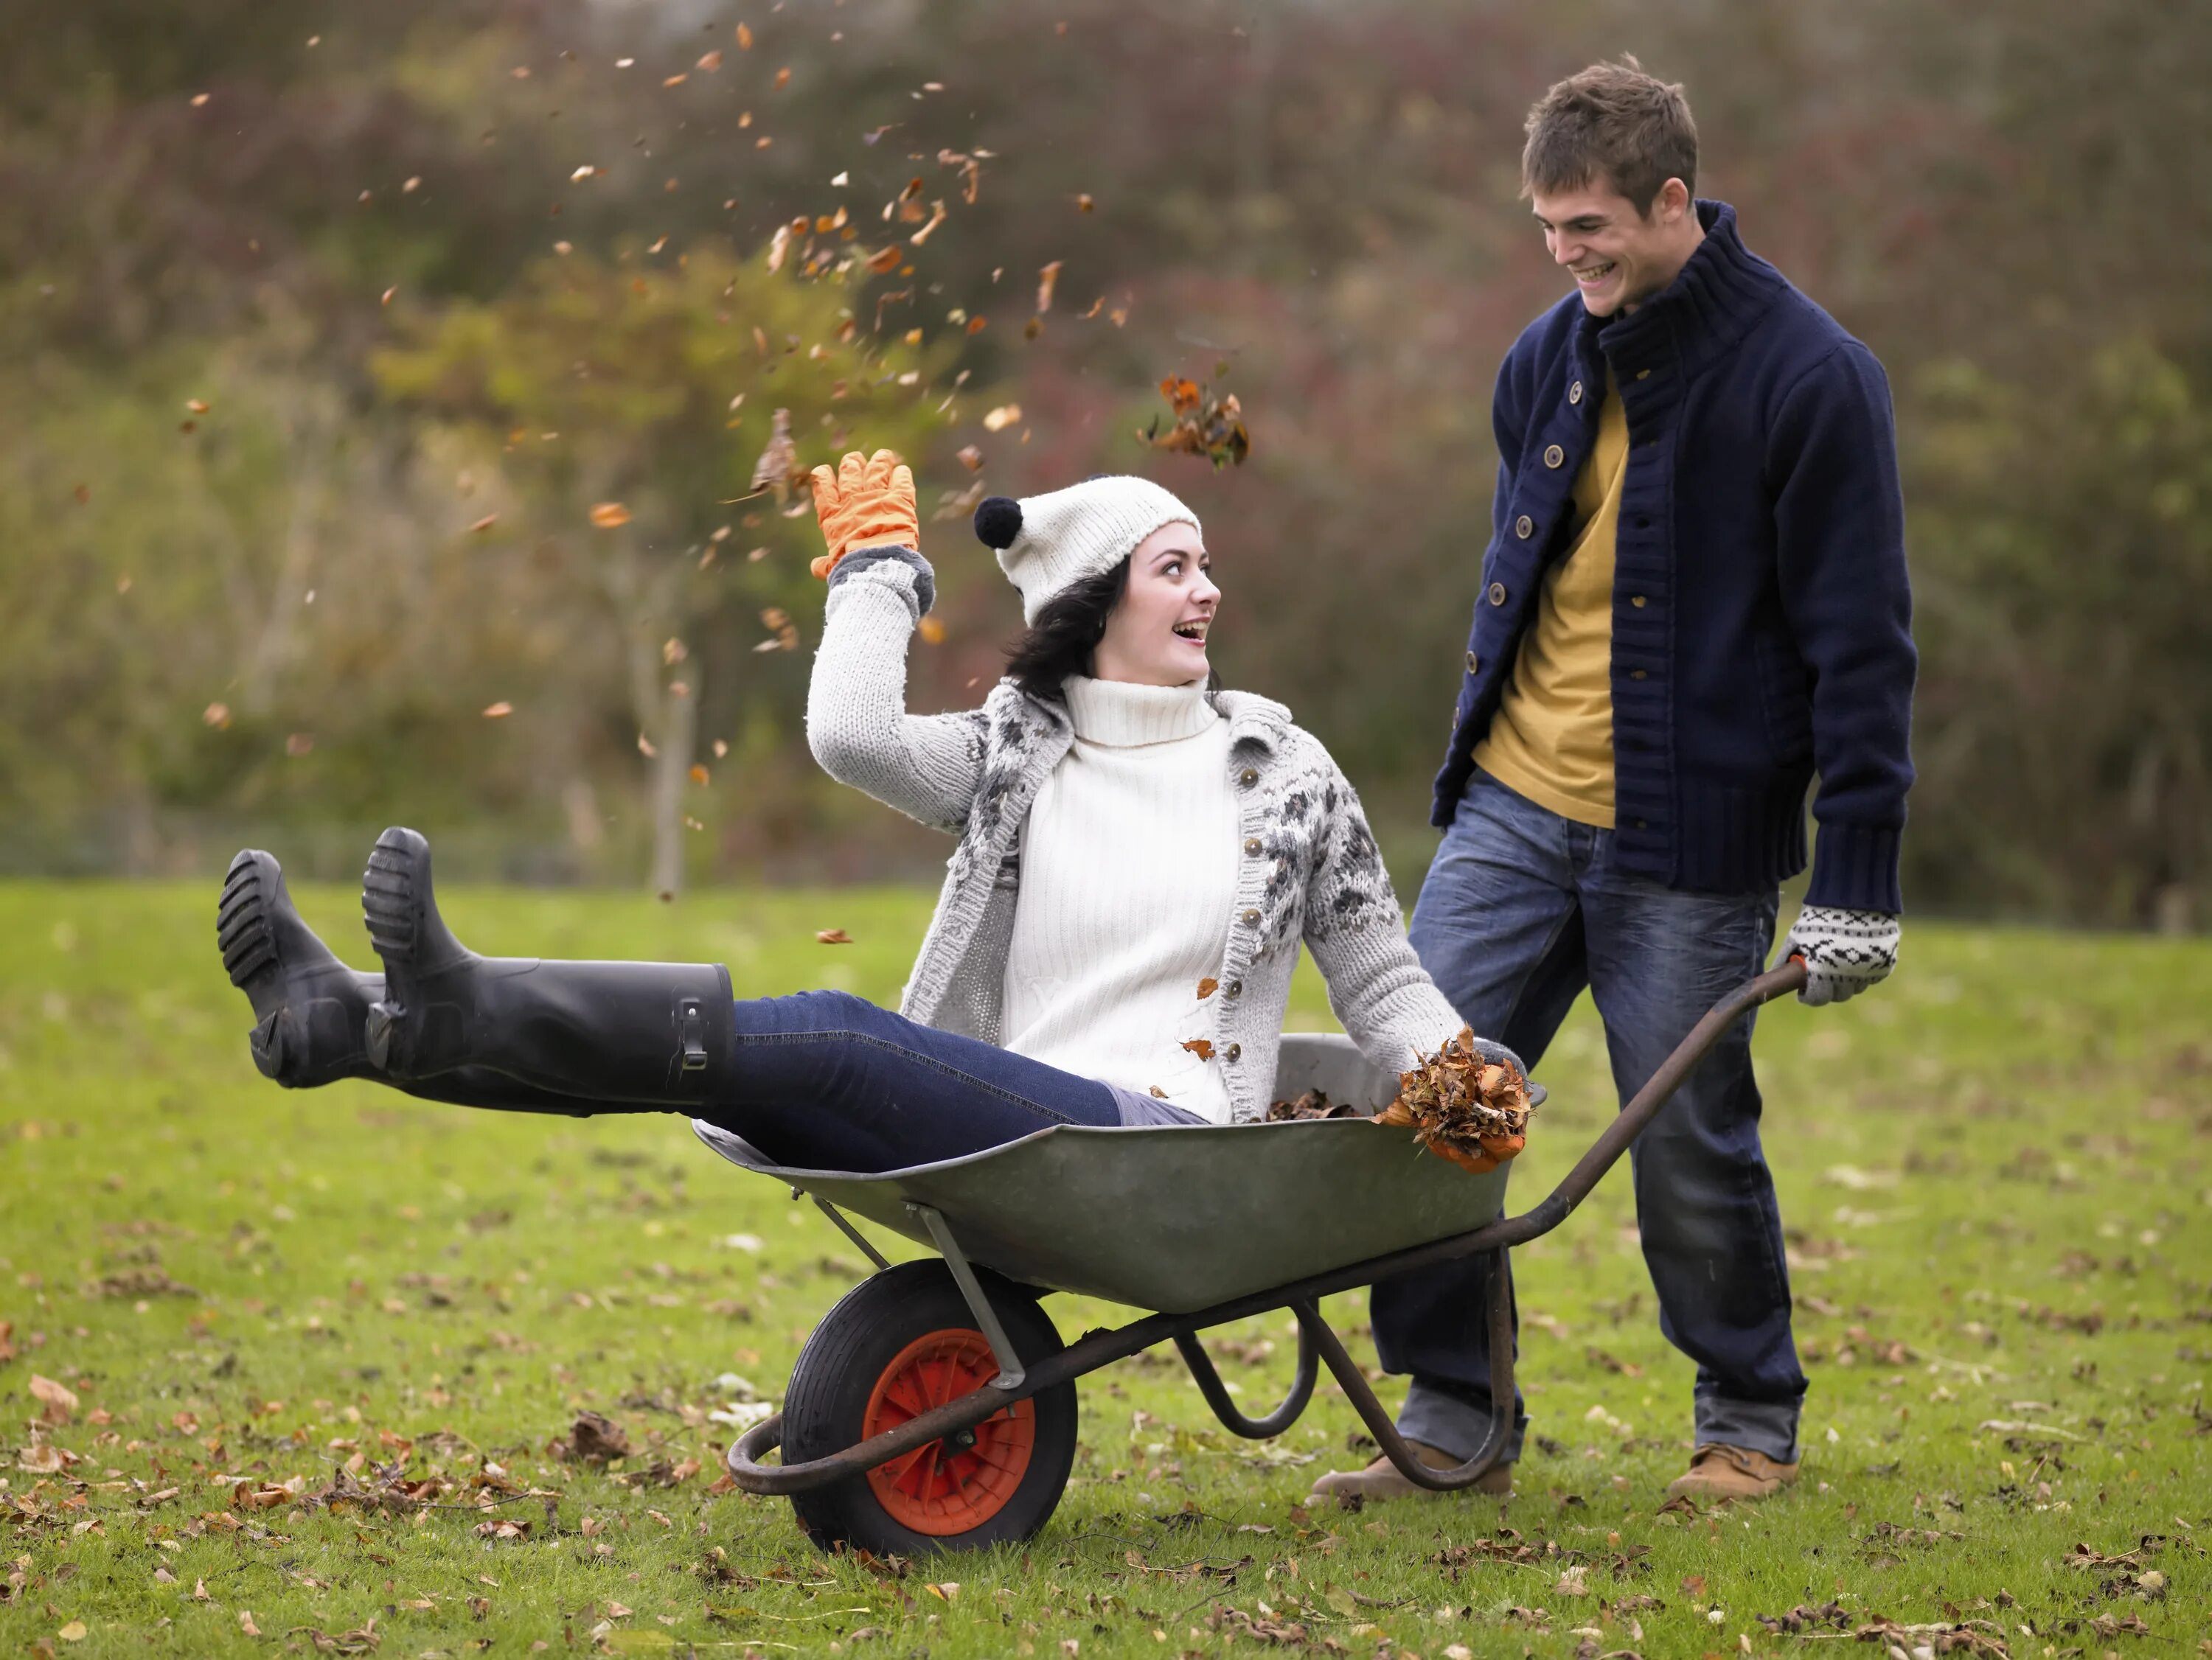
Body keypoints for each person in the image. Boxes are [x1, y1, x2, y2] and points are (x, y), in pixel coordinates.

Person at [218, 453, 1498, 1202]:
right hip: (1018, 1116)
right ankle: (363, 1030)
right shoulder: (1016, 754)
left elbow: (1377, 969)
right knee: (727, 1072)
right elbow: (852, 737)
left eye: (1206, 566)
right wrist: (874, 578)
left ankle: (457, 999)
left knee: (828, 1033)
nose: (1210, 588)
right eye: (1176, 567)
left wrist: (1461, 1077)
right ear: (1099, 598)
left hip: (1162, 1151)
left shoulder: (1283, 774)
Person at [1310, 60, 1916, 1507]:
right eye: (1546, 230)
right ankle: (1456, 1414)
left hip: (1688, 845)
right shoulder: (1548, 360)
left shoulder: (1812, 380)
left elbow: (1864, 648)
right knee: (1428, 1104)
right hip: (1515, 810)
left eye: (1588, 226)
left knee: (1693, 1141)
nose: (1567, 255)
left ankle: (1745, 1419)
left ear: (1670, 201)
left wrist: (1858, 878)